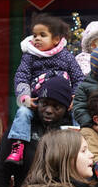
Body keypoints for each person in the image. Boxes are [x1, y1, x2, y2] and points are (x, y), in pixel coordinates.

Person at [0, 74, 77, 187]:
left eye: (56, 107)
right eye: (44, 104)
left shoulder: (72, 134)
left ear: (66, 109)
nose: (48, 111)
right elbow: (0, 173)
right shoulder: (20, 130)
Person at [6, 15, 81, 162]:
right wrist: (25, 98)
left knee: (78, 112)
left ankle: (80, 141)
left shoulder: (66, 56)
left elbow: (78, 78)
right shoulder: (29, 57)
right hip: (38, 101)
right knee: (22, 113)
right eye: (34, 35)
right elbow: (21, 77)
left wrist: (75, 96)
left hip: (62, 102)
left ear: (56, 39)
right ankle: (18, 145)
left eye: (42, 35)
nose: (37, 39)